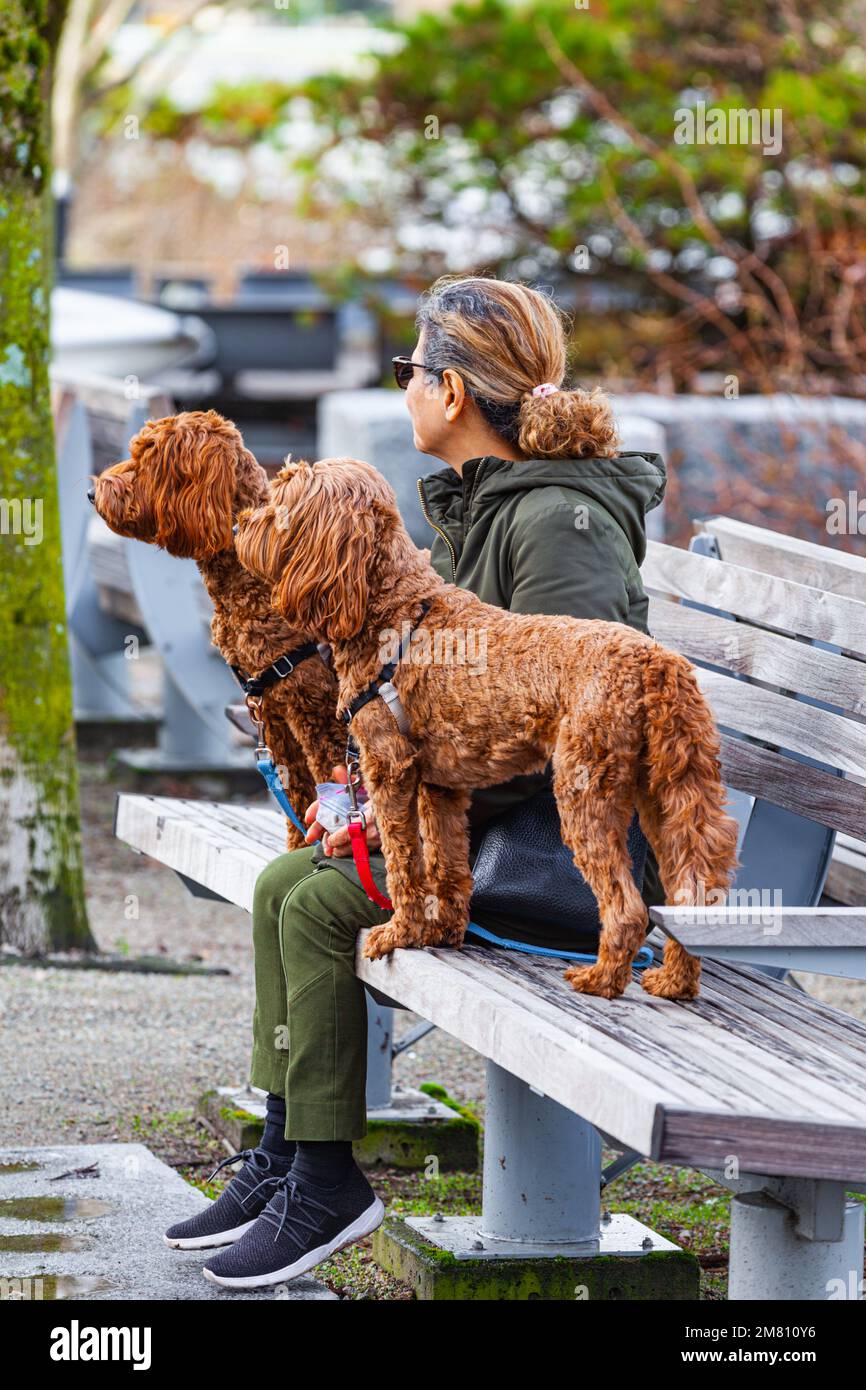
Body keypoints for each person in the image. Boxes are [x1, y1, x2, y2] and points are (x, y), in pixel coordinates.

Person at [163, 275, 667, 1289]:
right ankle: (284, 1150)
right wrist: (354, 782)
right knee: (284, 882)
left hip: (544, 855)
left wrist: (393, 789)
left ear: (449, 392)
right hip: (468, 819)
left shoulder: (555, 520)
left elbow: (572, 722)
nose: (401, 390)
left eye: (408, 371)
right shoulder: (486, 504)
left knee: (312, 907)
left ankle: (323, 1183)